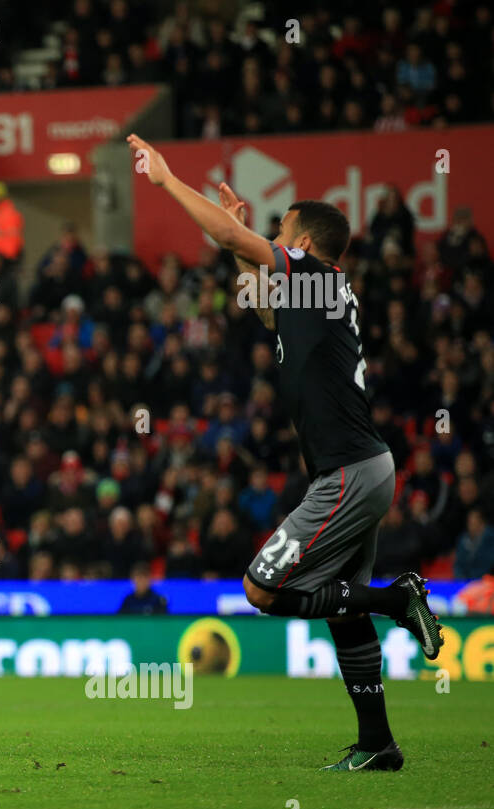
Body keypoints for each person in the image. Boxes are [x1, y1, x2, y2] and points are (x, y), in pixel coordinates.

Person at [128, 133, 443, 772]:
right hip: (360, 468)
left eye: (280, 230)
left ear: (300, 244)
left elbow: (232, 244)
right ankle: (378, 743)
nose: (272, 236)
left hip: (348, 474)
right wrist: (246, 248)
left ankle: (396, 599)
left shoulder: (319, 278)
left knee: (262, 589)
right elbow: (264, 310)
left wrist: (167, 181)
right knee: (342, 613)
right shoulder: (316, 293)